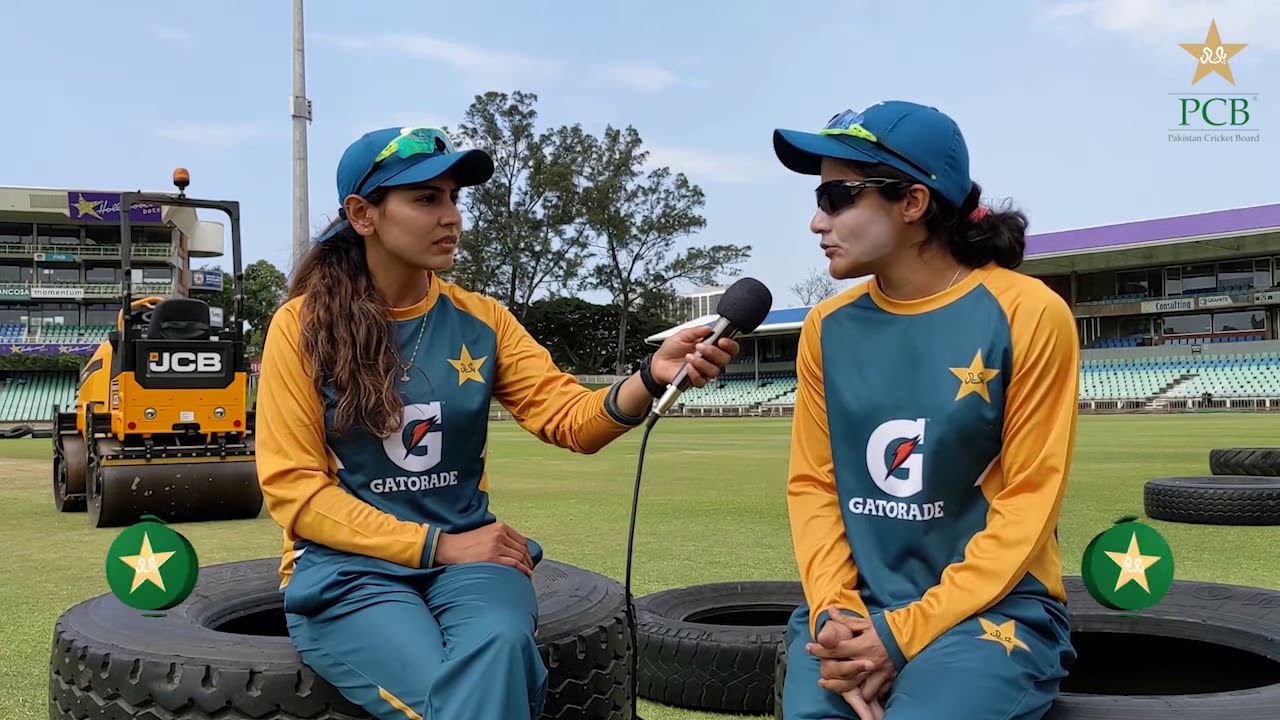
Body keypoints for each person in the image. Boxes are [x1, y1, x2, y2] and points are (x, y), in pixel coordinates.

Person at [254, 125, 741, 720]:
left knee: (501, 646)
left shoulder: (483, 319)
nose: (451, 217)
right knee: (463, 694)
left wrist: (649, 376)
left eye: (454, 198)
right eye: (426, 199)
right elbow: (295, 491)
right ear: (362, 214)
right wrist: (440, 544)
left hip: (477, 563)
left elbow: (569, 417)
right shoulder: (300, 326)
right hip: (348, 571)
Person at [771, 101, 1080, 720]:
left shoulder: (1029, 313)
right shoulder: (824, 328)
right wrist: (836, 613)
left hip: (992, 612)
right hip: (853, 610)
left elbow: (1028, 501)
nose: (816, 221)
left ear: (913, 204)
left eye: (837, 197)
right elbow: (815, 485)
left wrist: (901, 636)